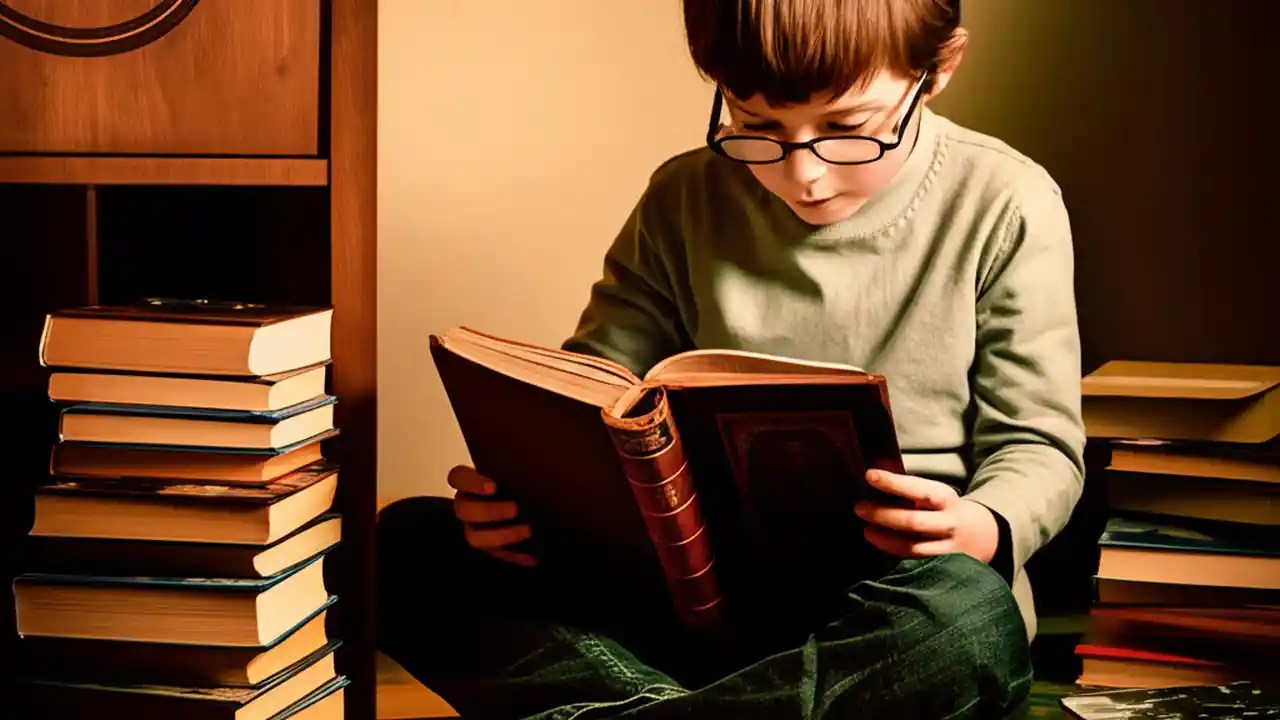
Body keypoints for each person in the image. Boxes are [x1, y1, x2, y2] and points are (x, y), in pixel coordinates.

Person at [378, 0, 1085, 717]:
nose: (804, 174)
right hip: (680, 603)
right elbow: (592, 397)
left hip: (887, 610)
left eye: (847, 130)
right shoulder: (681, 197)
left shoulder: (1007, 201)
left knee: (969, 626)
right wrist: (525, 498)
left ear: (937, 71)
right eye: (756, 128)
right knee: (407, 547)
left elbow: (1041, 446)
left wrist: (982, 524)